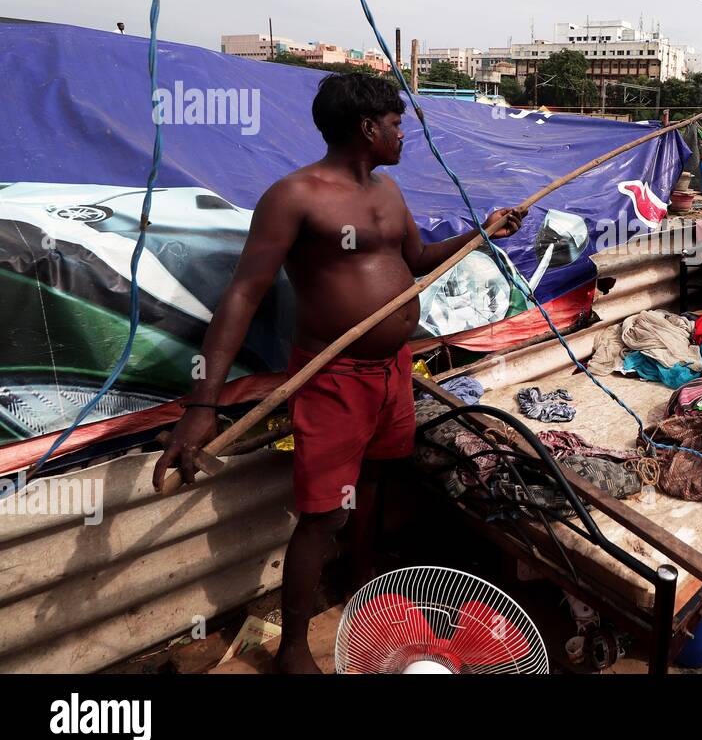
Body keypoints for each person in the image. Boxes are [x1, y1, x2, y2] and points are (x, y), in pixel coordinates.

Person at [151, 72, 526, 673]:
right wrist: (203, 405)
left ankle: (363, 588)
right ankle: (294, 645)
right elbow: (244, 295)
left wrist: (481, 234)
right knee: (325, 512)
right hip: (334, 376)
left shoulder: (387, 194)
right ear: (366, 127)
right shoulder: (296, 196)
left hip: (393, 370)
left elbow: (415, 260)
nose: (404, 134)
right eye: (397, 123)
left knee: (376, 482)